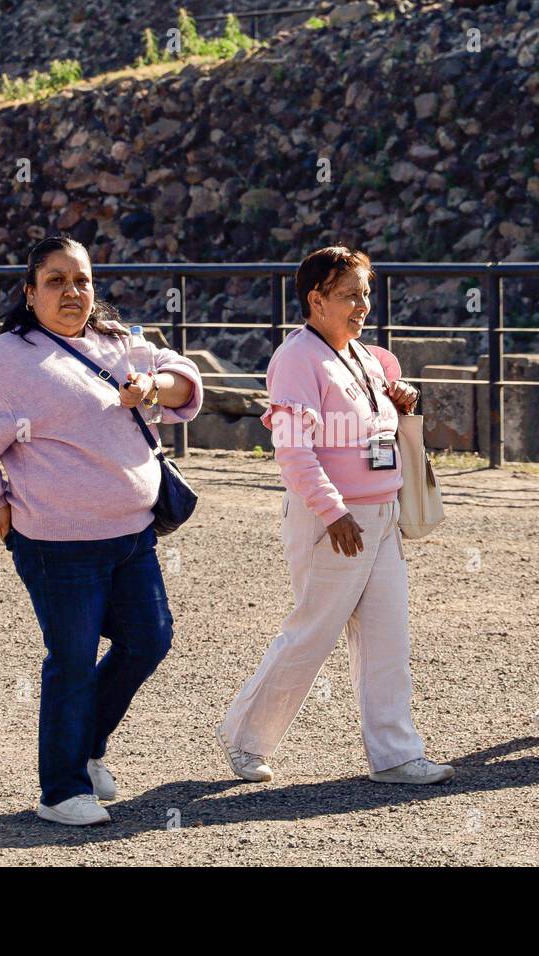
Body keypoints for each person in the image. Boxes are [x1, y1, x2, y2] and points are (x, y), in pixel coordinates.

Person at [0, 235, 204, 826]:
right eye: (55, 281)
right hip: (57, 545)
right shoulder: (5, 360)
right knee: (73, 659)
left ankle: (85, 746)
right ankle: (59, 790)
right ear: (30, 293)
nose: (72, 292)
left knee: (147, 641)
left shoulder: (117, 341)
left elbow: (184, 381)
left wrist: (154, 386)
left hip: (133, 536)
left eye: (81, 280)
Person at [216, 245, 454, 785]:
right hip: (334, 518)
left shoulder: (363, 356)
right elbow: (293, 449)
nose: (362, 305)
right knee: (312, 633)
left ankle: (395, 754)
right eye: (349, 295)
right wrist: (333, 511)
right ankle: (243, 738)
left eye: (365, 293)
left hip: (382, 514)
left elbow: (372, 425)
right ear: (316, 299)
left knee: (387, 638)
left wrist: (402, 403)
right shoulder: (298, 357)